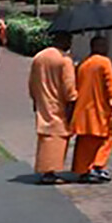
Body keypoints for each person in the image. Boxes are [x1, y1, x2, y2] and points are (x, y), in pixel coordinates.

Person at [27, 31, 78, 184]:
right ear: (63, 40)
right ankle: (50, 171)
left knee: (45, 135)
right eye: (69, 40)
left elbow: (32, 82)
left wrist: (35, 99)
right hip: (59, 103)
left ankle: (45, 169)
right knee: (57, 137)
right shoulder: (65, 60)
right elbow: (68, 85)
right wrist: (72, 99)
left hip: (42, 100)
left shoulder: (39, 57)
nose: (70, 44)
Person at [71, 33, 112, 183]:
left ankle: (82, 169)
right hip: (99, 109)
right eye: (104, 45)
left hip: (82, 110)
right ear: (97, 46)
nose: (107, 48)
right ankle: (97, 166)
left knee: (84, 141)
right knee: (105, 138)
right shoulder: (104, 62)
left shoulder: (83, 64)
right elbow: (110, 84)